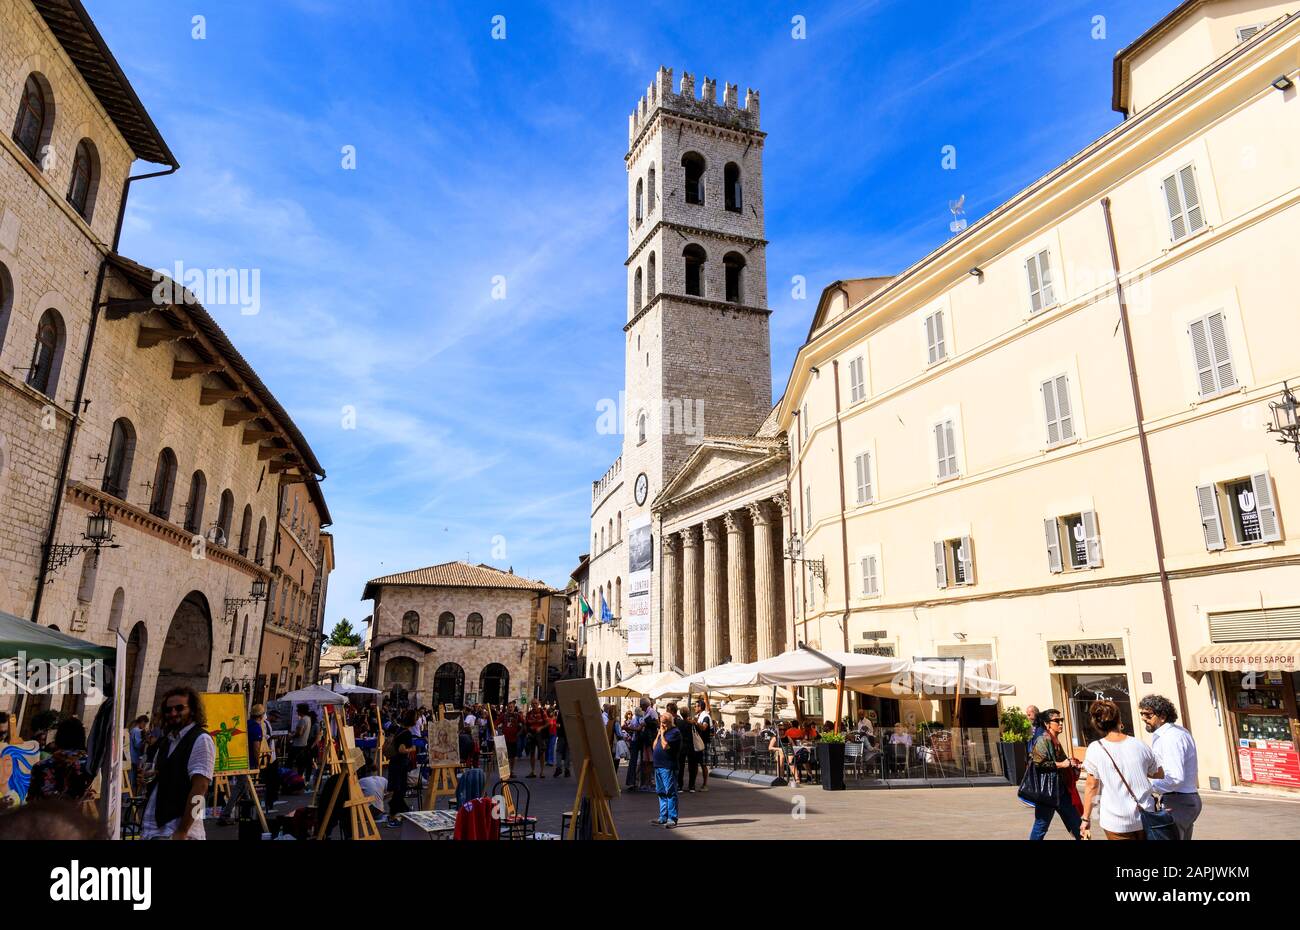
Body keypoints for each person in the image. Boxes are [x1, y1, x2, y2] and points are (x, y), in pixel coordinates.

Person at [1081, 699, 1162, 841]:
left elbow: (1092, 786)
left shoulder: (1095, 749)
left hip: (1115, 820)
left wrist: (1086, 819)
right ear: (1119, 719)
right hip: (1145, 815)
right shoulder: (1139, 745)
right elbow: (1159, 773)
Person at [142, 688, 215, 840]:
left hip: (177, 831)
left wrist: (183, 831)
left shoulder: (200, 739)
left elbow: (200, 789)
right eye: (168, 710)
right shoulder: (168, 740)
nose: (173, 713)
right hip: (155, 829)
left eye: (180, 708)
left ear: (193, 710)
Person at [1139, 694, 1200, 840]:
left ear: (1162, 716)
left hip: (1178, 800)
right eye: (1142, 714)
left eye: (1148, 715)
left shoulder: (1170, 738)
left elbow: (1175, 778)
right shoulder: (1175, 733)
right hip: (1184, 800)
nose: (1143, 718)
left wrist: (1147, 786)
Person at [1027, 708, 1083, 840]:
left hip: (1061, 790)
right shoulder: (1043, 739)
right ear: (1047, 724)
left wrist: (1071, 763)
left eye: (1061, 720)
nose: (1061, 723)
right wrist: (1062, 764)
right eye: (1057, 721)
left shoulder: (1055, 740)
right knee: (1041, 825)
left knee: (1076, 822)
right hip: (1047, 792)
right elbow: (1038, 763)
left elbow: (1061, 761)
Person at [27, 718, 92, 802]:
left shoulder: (40, 766)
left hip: (46, 812)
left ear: (58, 737)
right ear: (82, 738)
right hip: (77, 814)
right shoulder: (90, 765)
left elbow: (31, 801)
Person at [384, 710, 416, 827]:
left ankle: (403, 812)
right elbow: (401, 750)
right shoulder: (406, 733)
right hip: (400, 765)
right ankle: (394, 816)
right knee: (399, 791)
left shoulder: (399, 729)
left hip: (395, 764)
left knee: (399, 790)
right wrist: (412, 749)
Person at [651, 706, 681, 829]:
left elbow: (665, 747)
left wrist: (662, 734)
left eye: (663, 723)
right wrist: (658, 734)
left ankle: (672, 818)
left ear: (669, 722)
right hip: (658, 766)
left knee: (670, 792)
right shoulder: (663, 732)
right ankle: (663, 817)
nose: (661, 725)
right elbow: (654, 746)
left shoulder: (675, 733)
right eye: (660, 723)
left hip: (668, 766)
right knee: (661, 792)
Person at [525, 699, 549, 778]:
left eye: (536, 703)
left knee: (541, 753)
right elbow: (526, 724)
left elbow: (548, 723)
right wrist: (527, 732)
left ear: (538, 704)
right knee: (532, 753)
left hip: (540, 735)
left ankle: (542, 772)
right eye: (533, 703)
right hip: (531, 734)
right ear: (531, 705)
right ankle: (533, 771)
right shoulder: (529, 714)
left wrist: (541, 728)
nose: (534, 705)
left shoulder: (542, 712)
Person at [691, 699, 712, 792]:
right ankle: (693, 784)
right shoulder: (697, 716)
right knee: (695, 763)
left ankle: (705, 784)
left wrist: (695, 723)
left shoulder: (705, 716)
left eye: (696, 706)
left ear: (700, 707)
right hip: (697, 742)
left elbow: (704, 727)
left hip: (704, 743)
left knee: (703, 764)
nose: (694, 708)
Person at [128, 715, 149, 793]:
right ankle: (130, 794)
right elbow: (137, 745)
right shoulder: (137, 731)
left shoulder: (133, 730)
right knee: (132, 779)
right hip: (134, 758)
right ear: (142, 722)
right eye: (145, 724)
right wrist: (145, 739)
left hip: (132, 757)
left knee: (131, 777)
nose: (145, 726)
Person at [291, 704, 312, 777]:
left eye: (297, 710)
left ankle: (294, 778)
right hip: (303, 745)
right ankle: (300, 778)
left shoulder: (302, 720)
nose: (297, 711)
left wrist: (291, 736)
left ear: (301, 711)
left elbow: (299, 733)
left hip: (298, 745)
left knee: (293, 764)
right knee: (301, 765)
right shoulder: (308, 719)